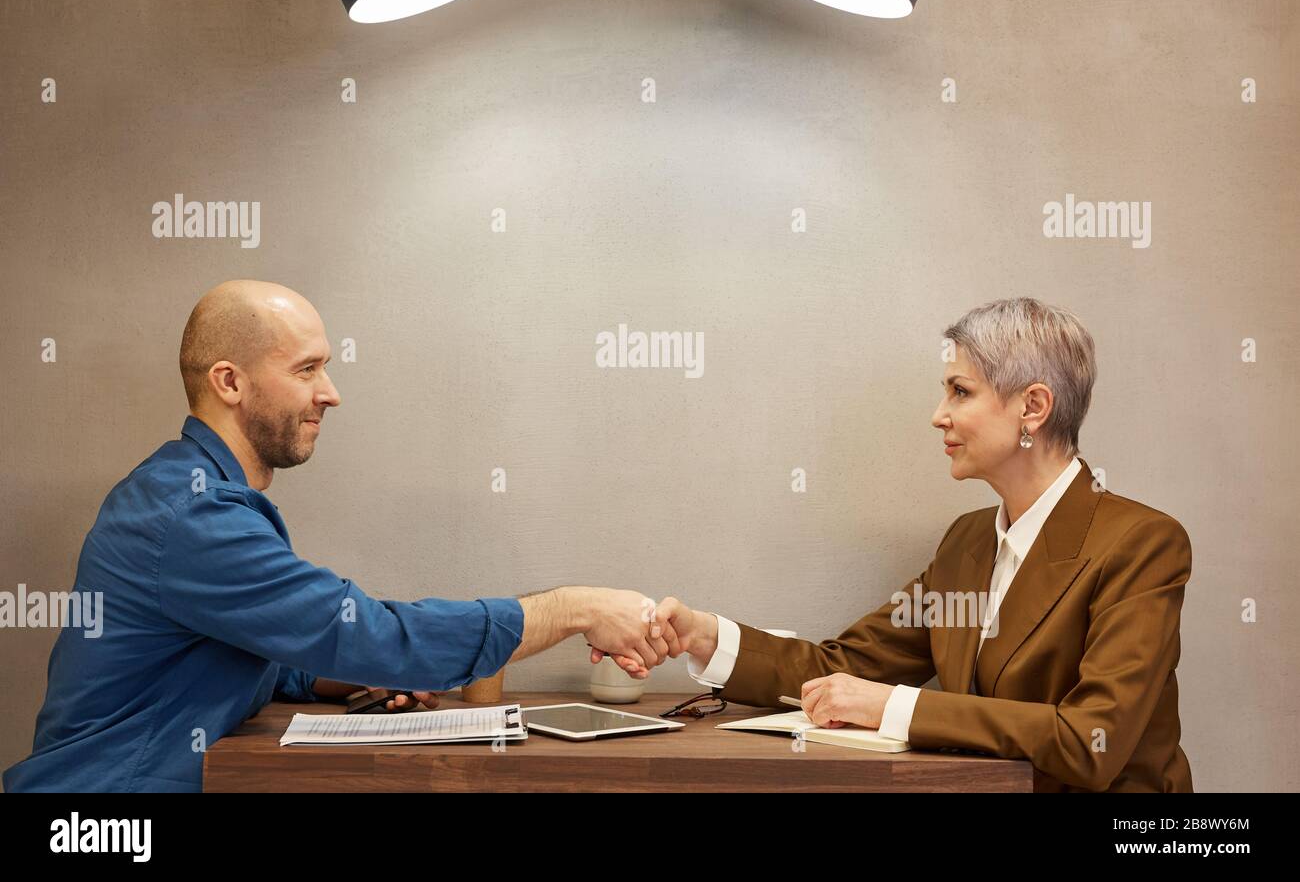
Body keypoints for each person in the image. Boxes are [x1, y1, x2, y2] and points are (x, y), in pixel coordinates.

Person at [3, 280, 661, 792]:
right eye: (307, 369)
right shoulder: (191, 514)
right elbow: (370, 633)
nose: (332, 393)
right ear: (230, 382)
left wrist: (335, 679)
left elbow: (239, 649)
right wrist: (574, 607)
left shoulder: (190, 491)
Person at [644, 298, 1193, 792]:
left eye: (961, 391)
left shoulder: (1142, 544)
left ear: (1033, 408)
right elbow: (843, 666)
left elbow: (1087, 740)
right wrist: (704, 637)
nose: (939, 416)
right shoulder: (967, 541)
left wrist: (895, 706)